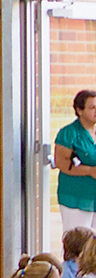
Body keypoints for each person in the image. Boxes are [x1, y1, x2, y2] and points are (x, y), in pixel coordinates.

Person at [54, 88, 96, 231]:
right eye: (92, 107)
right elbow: (61, 162)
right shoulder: (68, 133)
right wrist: (90, 171)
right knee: (77, 241)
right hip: (76, 197)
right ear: (79, 110)